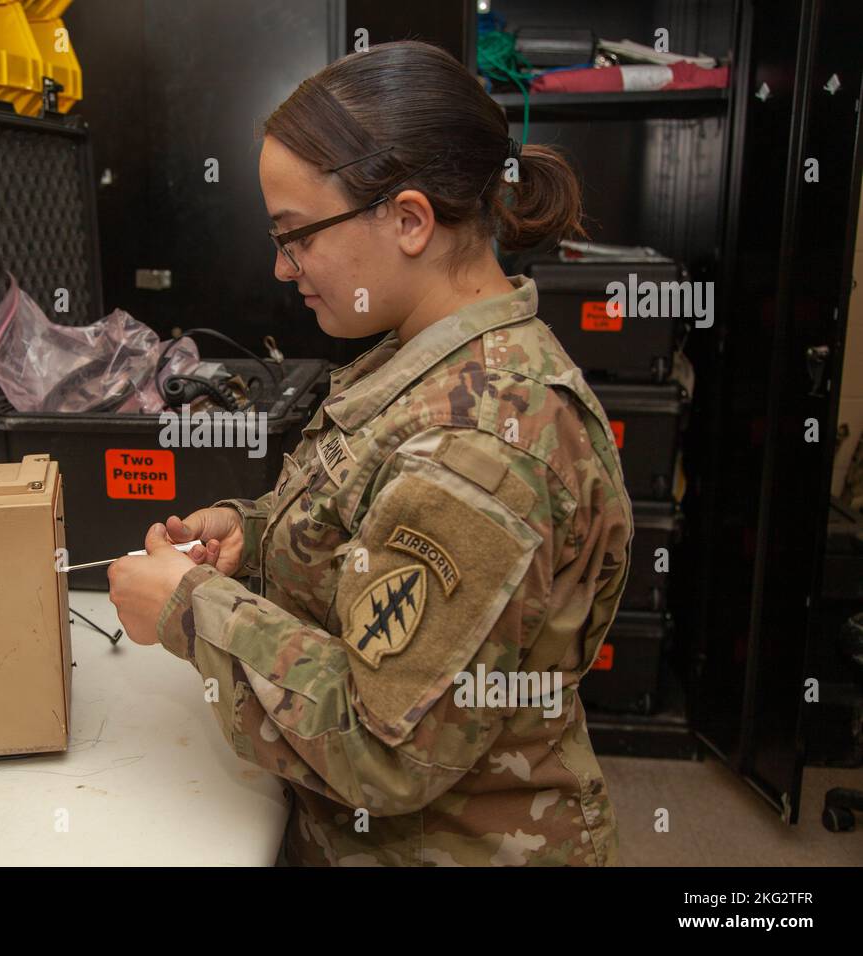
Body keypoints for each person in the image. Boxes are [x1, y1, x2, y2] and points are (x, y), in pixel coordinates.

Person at [107, 39, 633, 867]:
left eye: (298, 235)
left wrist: (190, 607)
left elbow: (382, 747)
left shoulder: (481, 446)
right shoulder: (419, 356)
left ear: (410, 219)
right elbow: (368, 529)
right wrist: (255, 534)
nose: (284, 267)